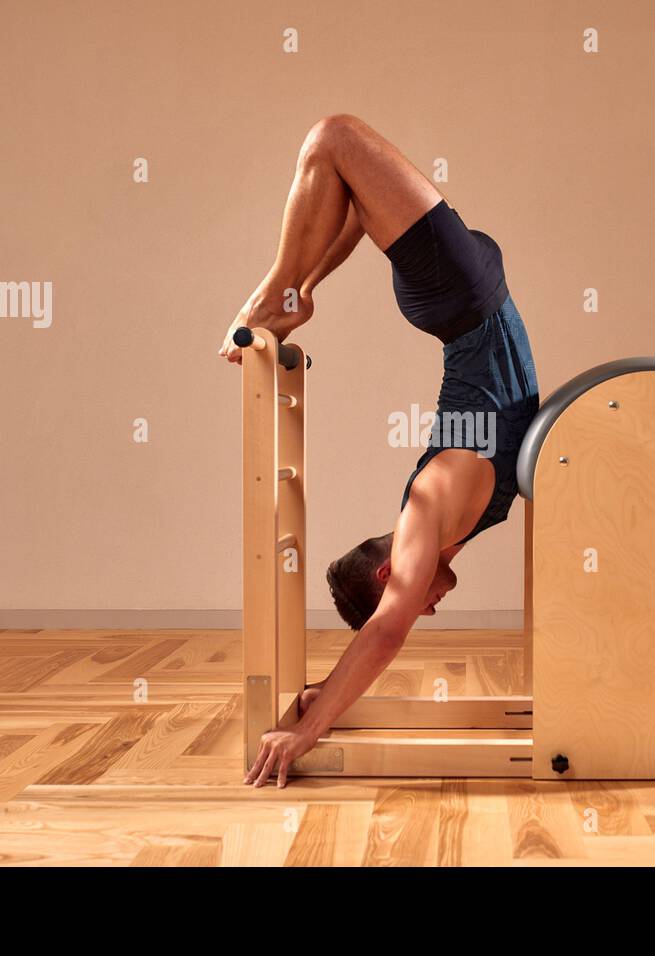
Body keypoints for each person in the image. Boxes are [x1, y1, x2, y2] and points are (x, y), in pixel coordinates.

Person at [222, 115, 538, 787]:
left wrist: (310, 728)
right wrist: (329, 695)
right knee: (355, 196)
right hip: (472, 294)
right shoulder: (457, 527)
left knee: (333, 138)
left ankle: (277, 295)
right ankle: (297, 291)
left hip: (463, 299)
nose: (427, 607)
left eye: (410, 595)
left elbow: (387, 629)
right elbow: (390, 621)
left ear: (388, 572)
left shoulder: (426, 506)